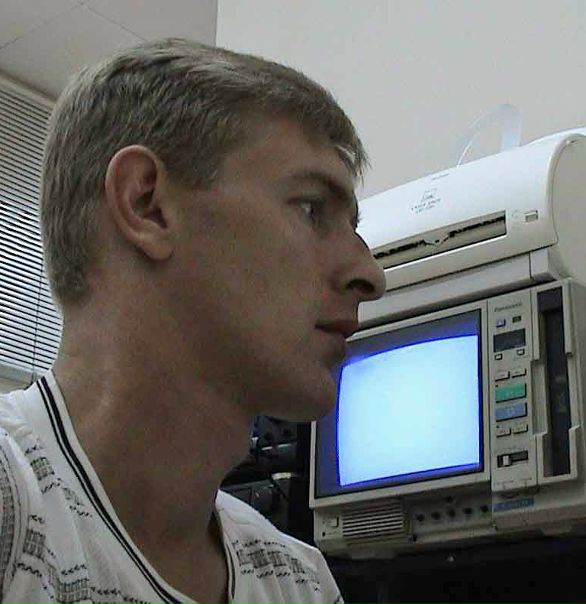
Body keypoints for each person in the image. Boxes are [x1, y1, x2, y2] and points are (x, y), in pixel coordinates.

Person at [0, 38, 385, 604]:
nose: (370, 274)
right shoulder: (12, 501)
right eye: (310, 209)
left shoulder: (300, 582)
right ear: (147, 205)